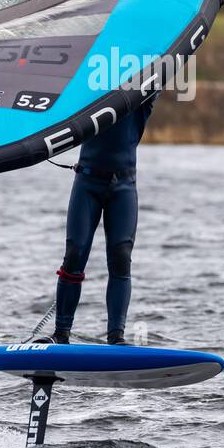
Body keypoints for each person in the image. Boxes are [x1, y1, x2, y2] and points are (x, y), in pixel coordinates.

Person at [44, 94, 157, 345]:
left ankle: (116, 337)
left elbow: (165, 63)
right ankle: (60, 335)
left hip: (124, 187)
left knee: (120, 256)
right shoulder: (94, 90)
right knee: (75, 253)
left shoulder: (144, 90)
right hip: (87, 183)